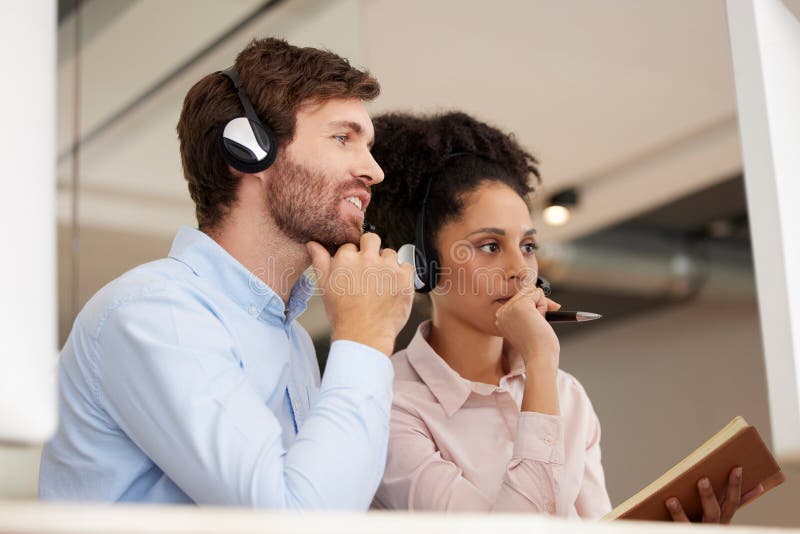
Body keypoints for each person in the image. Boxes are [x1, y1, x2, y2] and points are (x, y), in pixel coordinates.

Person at [39, 37, 414, 508]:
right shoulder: (153, 313)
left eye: (369, 145)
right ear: (249, 149)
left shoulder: (292, 340)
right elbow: (295, 517)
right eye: (344, 138)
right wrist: (365, 338)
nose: (374, 171)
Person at [366, 111, 760, 522]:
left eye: (529, 246)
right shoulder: (390, 404)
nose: (521, 270)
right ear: (424, 265)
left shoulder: (566, 395)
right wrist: (539, 361)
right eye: (489, 246)